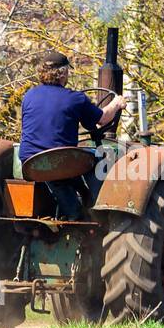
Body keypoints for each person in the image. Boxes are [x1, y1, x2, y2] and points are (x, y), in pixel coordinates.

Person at [19, 51, 124, 219]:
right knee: (100, 159)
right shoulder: (75, 99)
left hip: (30, 161)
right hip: (60, 160)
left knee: (61, 172)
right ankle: (99, 212)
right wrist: (116, 103)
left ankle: (76, 202)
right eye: (67, 71)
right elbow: (103, 119)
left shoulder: (29, 95)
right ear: (62, 73)